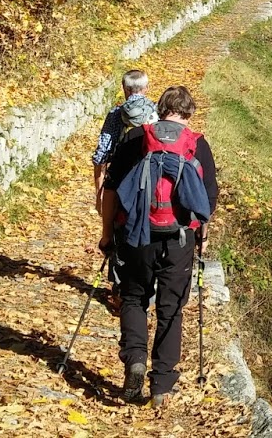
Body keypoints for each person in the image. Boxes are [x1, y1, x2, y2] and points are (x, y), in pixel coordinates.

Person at [99, 85, 219, 407]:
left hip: (136, 234)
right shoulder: (198, 145)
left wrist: (107, 234)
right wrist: (201, 238)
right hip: (179, 238)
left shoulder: (136, 138)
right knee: (171, 309)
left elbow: (111, 190)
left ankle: (135, 358)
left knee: (134, 297)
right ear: (188, 112)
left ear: (161, 108)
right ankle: (162, 386)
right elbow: (207, 201)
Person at [93, 70, 158, 315]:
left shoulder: (115, 115)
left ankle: (120, 292)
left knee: (118, 232)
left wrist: (99, 188)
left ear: (124, 88)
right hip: (151, 181)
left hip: (120, 182)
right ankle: (147, 290)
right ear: (146, 88)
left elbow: (102, 154)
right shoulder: (157, 113)